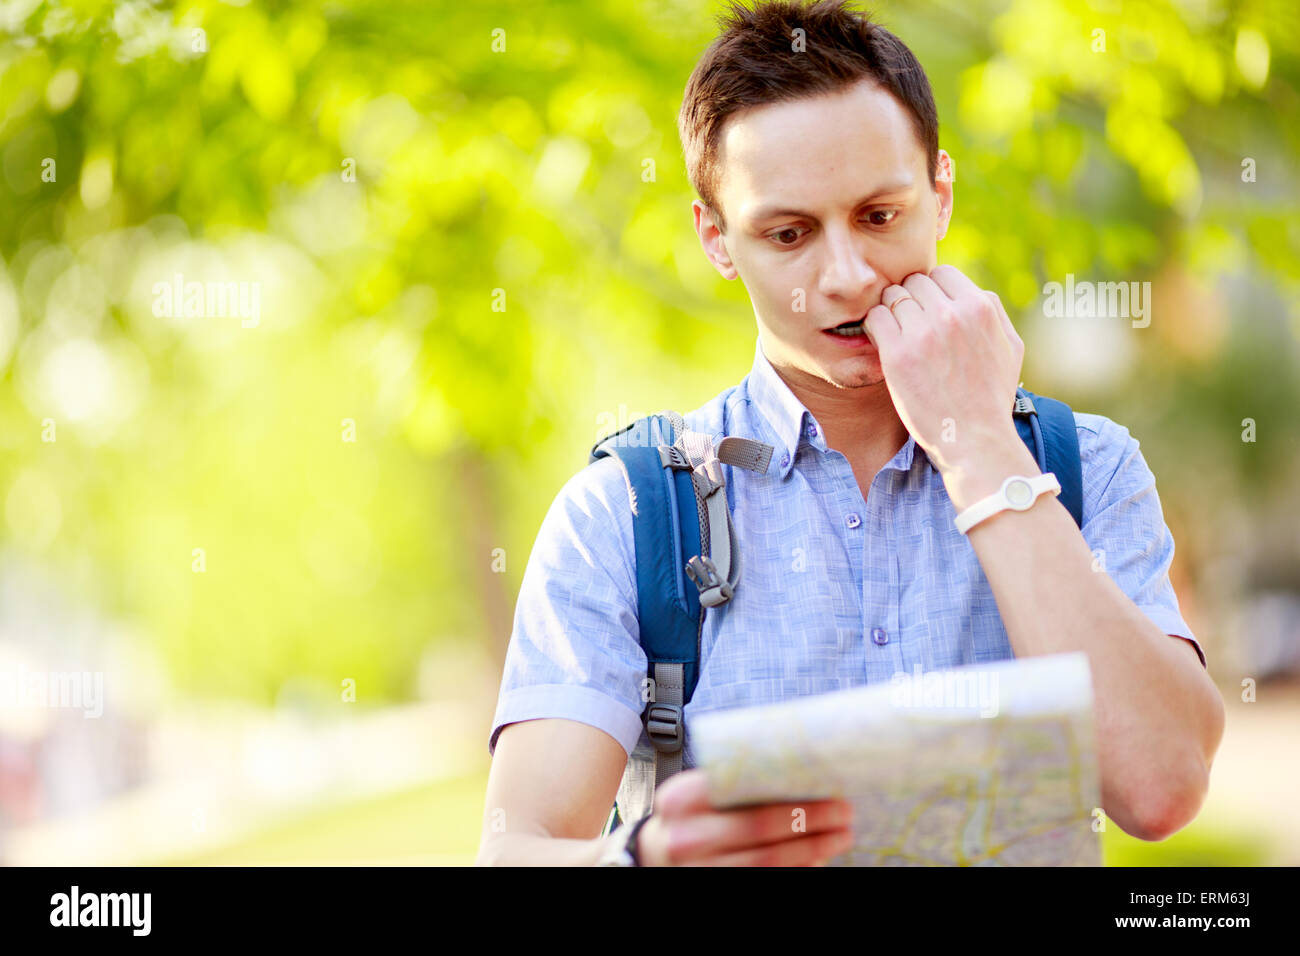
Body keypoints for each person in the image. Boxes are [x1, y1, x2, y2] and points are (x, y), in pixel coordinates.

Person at [476, 0, 1224, 867]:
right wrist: (640, 859)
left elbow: (1162, 786)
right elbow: (517, 847)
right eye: (788, 233)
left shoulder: (1087, 466)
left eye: (879, 216)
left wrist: (977, 443)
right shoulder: (626, 514)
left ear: (941, 193)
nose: (846, 276)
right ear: (716, 239)